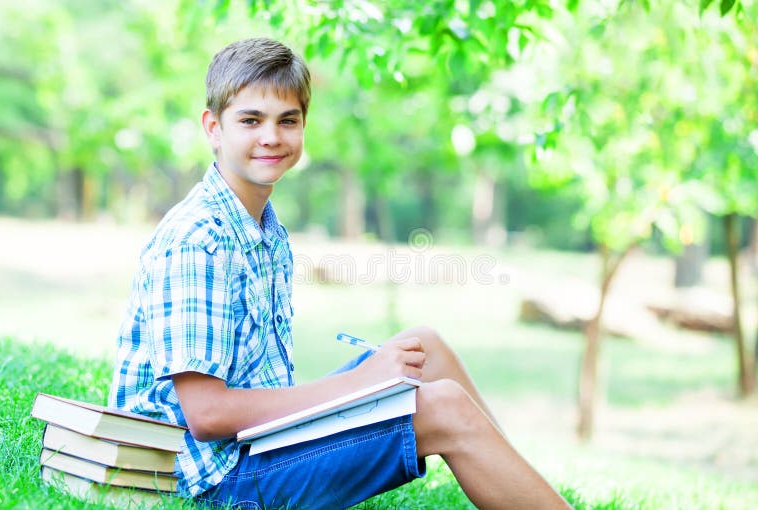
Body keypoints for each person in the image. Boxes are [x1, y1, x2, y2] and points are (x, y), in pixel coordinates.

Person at [109, 37, 570, 510]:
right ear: (214, 127)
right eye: (251, 120)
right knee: (443, 405)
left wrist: (364, 386)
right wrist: (359, 383)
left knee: (423, 348)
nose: (271, 136)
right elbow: (206, 414)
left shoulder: (263, 230)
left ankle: (517, 482)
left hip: (258, 445)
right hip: (214, 480)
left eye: (287, 121)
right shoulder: (197, 238)